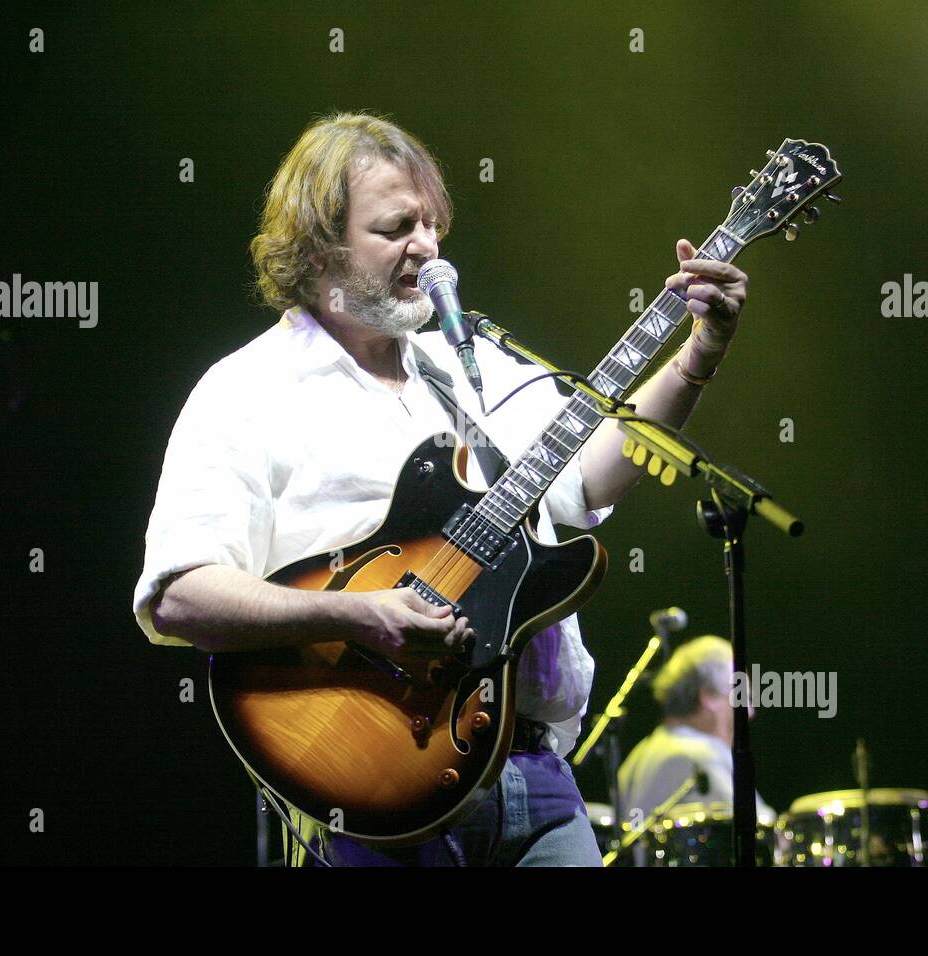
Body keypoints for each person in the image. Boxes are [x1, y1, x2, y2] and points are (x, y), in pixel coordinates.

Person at [132, 112, 749, 866]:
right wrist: (356, 616)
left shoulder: (468, 365)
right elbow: (180, 594)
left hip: (538, 779)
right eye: (396, 228)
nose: (426, 248)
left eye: (432, 225)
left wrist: (697, 356)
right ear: (319, 246)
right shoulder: (246, 391)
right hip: (375, 786)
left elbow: (593, 467)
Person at [618, 635, 774, 823]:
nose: (750, 712)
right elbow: (761, 832)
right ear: (708, 696)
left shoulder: (641, 753)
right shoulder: (698, 755)